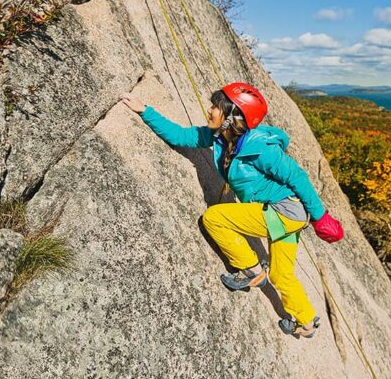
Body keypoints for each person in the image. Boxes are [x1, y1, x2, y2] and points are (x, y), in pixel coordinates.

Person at [119, 82, 343, 339]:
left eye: (216, 106)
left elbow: (298, 178)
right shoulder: (217, 137)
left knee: (214, 218)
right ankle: (307, 323)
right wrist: (145, 111)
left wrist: (321, 217)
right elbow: (180, 136)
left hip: (284, 212)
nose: (210, 109)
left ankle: (251, 270)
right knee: (282, 275)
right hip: (279, 213)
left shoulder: (262, 150)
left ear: (232, 118)